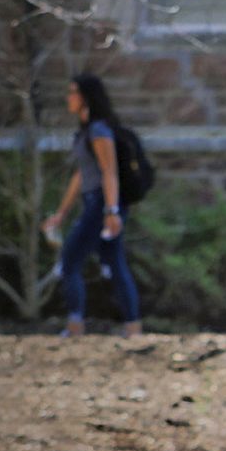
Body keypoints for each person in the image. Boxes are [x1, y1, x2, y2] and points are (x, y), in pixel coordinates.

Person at [41, 73, 140, 337]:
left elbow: (109, 172)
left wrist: (111, 211)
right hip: (95, 201)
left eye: (73, 92)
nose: (68, 98)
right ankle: (132, 326)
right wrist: (61, 214)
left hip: (102, 204)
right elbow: (81, 175)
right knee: (114, 263)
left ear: (85, 97)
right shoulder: (85, 132)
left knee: (70, 259)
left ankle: (75, 324)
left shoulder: (99, 130)